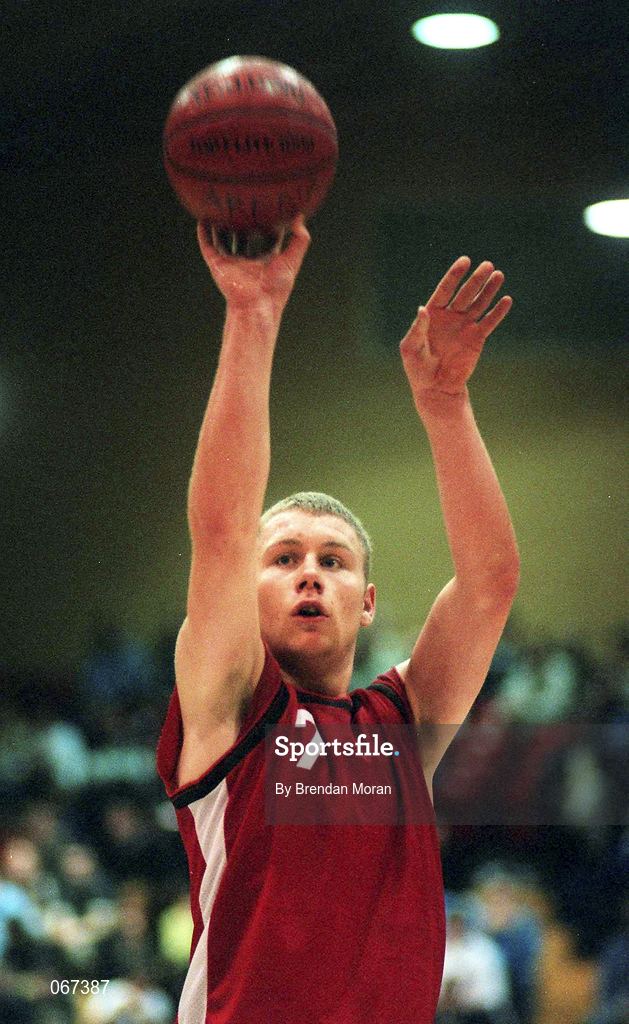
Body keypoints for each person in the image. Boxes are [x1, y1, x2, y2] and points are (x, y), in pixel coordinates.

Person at [157, 218, 520, 1024]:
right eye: (283, 559)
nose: (309, 573)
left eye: (333, 560)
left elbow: (489, 583)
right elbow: (220, 531)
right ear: (243, 596)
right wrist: (253, 314)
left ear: (366, 601)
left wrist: (445, 403)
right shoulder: (230, 710)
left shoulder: (401, 724)